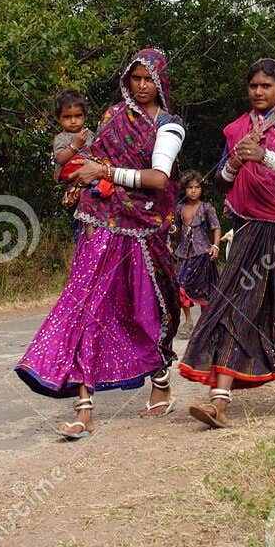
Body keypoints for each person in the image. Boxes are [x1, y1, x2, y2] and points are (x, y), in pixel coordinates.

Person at [16, 50, 185, 439]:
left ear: (160, 81)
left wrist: (104, 172)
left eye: (148, 79)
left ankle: (160, 382)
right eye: (135, 78)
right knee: (86, 308)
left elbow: (158, 179)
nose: (141, 86)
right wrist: (82, 177)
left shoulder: (169, 125)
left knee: (151, 311)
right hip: (103, 223)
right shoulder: (112, 117)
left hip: (147, 229)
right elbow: (82, 163)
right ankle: (84, 408)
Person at [181, 58, 275, 427]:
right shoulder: (236, 130)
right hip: (249, 229)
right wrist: (234, 164)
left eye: (267, 86)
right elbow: (220, 181)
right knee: (235, 306)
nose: (259, 92)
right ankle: (219, 403)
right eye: (254, 86)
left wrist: (265, 157)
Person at [171, 171, 222, 334]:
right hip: (184, 254)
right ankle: (188, 321)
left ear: (202, 189)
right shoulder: (179, 209)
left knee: (205, 289)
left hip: (203, 254)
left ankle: (204, 323)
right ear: (184, 189)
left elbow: (216, 227)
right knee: (180, 286)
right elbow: (177, 231)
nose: (193, 190)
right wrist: (172, 229)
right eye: (190, 187)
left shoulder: (207, 208)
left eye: (197, 187)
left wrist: (215, 246)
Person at [51, 90, 94, 228]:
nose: (73, 121)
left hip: (92, 179)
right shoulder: (61, 138)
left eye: (78, 116)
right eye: (67, 117)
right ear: (59, 119)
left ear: (85, 116)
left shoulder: (91, 135)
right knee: (82, 218)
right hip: (73, 183)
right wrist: (75, 145)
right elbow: (60, 159)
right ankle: (85, 243)